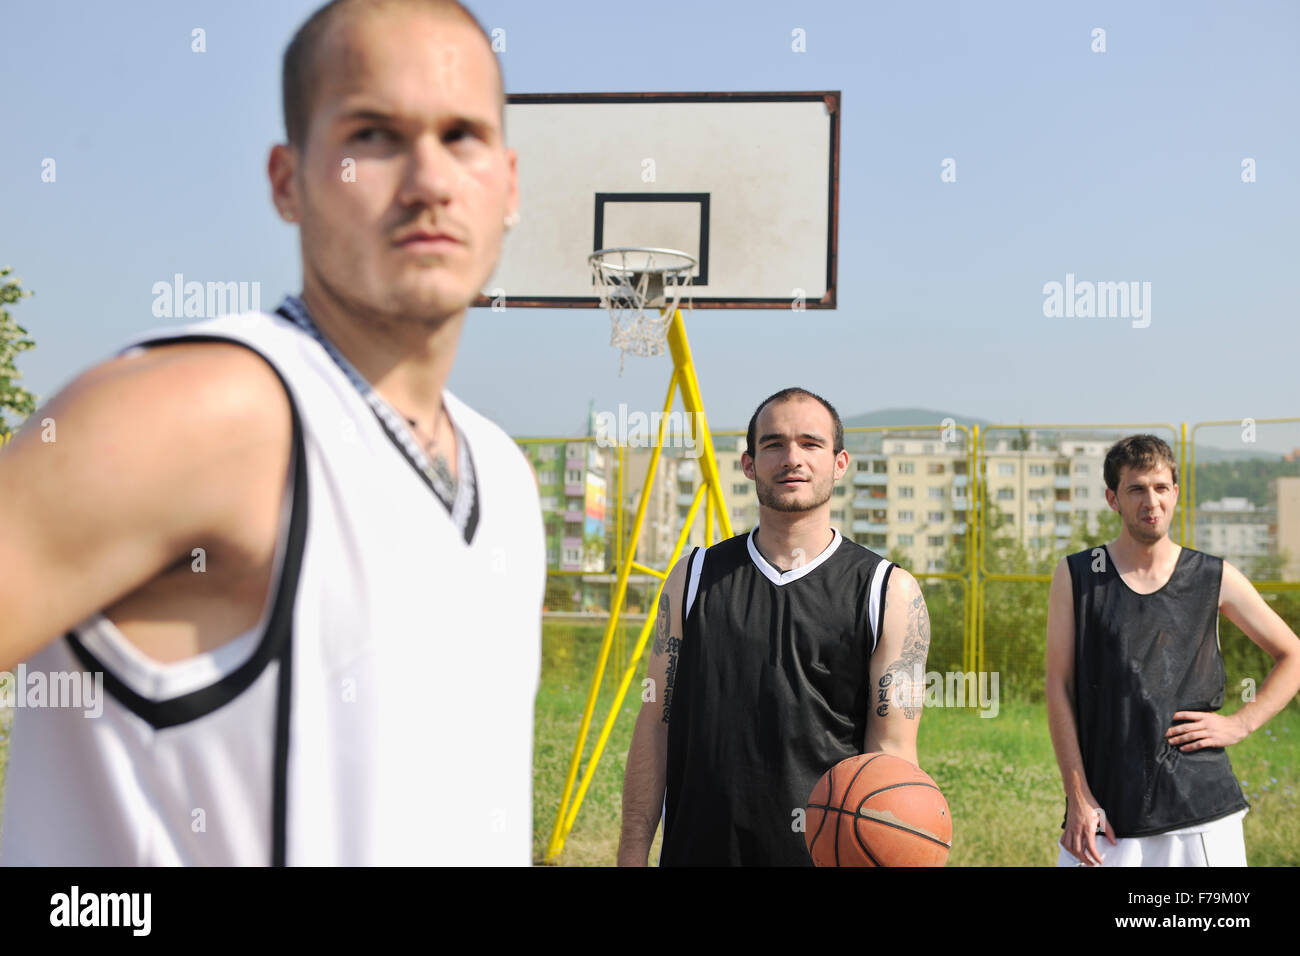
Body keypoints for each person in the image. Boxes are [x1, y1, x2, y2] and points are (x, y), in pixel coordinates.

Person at [0, 0, 543, 865]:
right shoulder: (204, 410)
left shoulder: (505, 478)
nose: (429, 180)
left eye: (462, 136)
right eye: (374, 134)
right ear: (287, 180)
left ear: (509, 183)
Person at [617, 387, 933, 866]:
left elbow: (891, 759)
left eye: (811, 443)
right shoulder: (693, 577)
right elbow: (655, 723)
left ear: (840, 463)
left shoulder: (889, 593)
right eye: (774, 444)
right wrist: (632, 849)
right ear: (748, 464)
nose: (792, 458)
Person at [1046, 434, 1300, 866]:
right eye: (1137, 489)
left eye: (1161, 488)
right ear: (1113, 499)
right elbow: (1058, 686)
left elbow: (1293, 655)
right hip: (1106, 817)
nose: (1152, 501)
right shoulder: (1079, 575)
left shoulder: (1212, 576)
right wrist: (1078, 796)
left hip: (1199, 811)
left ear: (1175, 494)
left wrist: (1239, 724)